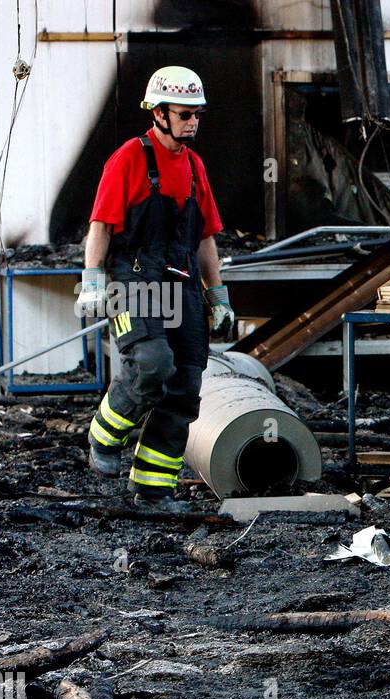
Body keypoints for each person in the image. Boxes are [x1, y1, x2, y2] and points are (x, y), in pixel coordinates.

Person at [77, 65, 235, 511]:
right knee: (151, 364)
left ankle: (153, 489)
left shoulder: (194, 166)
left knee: (185, 386)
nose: (193, 122)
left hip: (181, 284)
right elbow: (101, 224)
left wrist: (217, 293)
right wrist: (92, 280)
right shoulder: (129, 157)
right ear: (159, 113)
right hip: (134, 282)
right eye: (185, 114)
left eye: (197, 115)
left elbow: (205, 237)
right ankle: (103, 436)